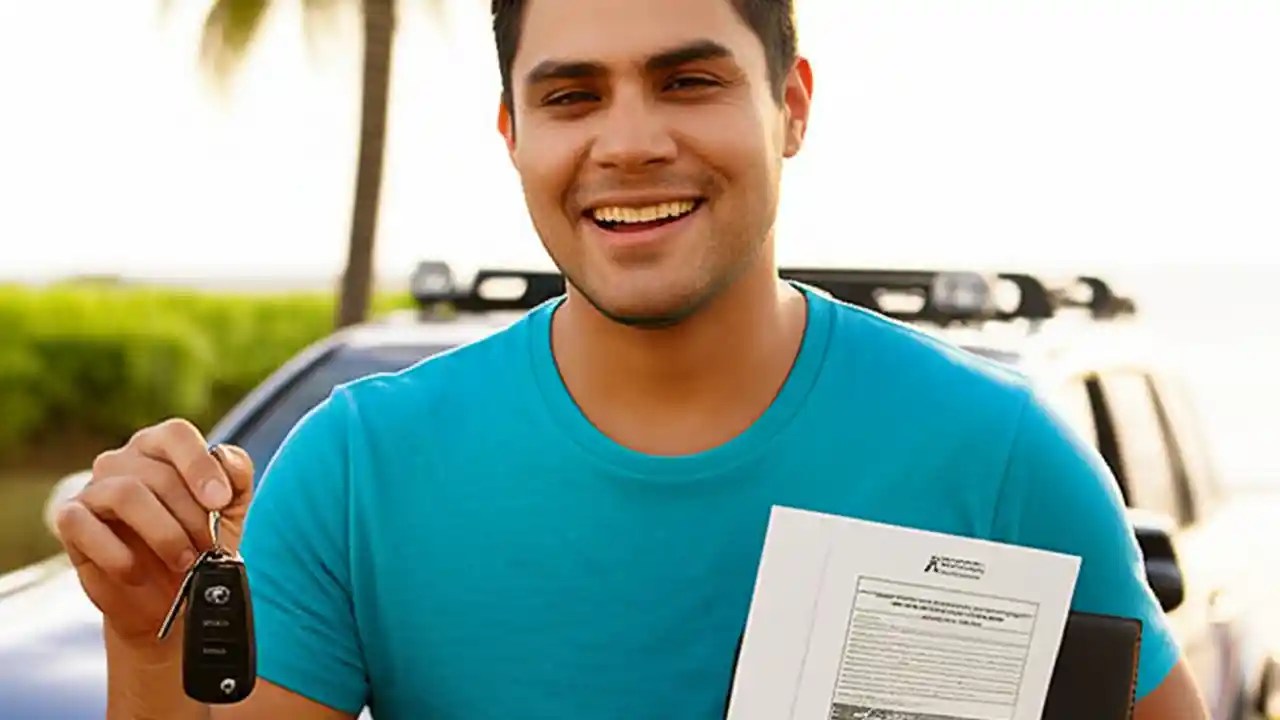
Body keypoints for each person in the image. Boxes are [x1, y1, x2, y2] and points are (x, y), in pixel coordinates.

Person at [56, 0, 1210, 718]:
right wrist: (143, 637)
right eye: (571, 96)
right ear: (513, 135)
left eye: (688, 79)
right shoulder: (359, 467)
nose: (629, 140)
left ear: (790, 107)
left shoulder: (996, 453)